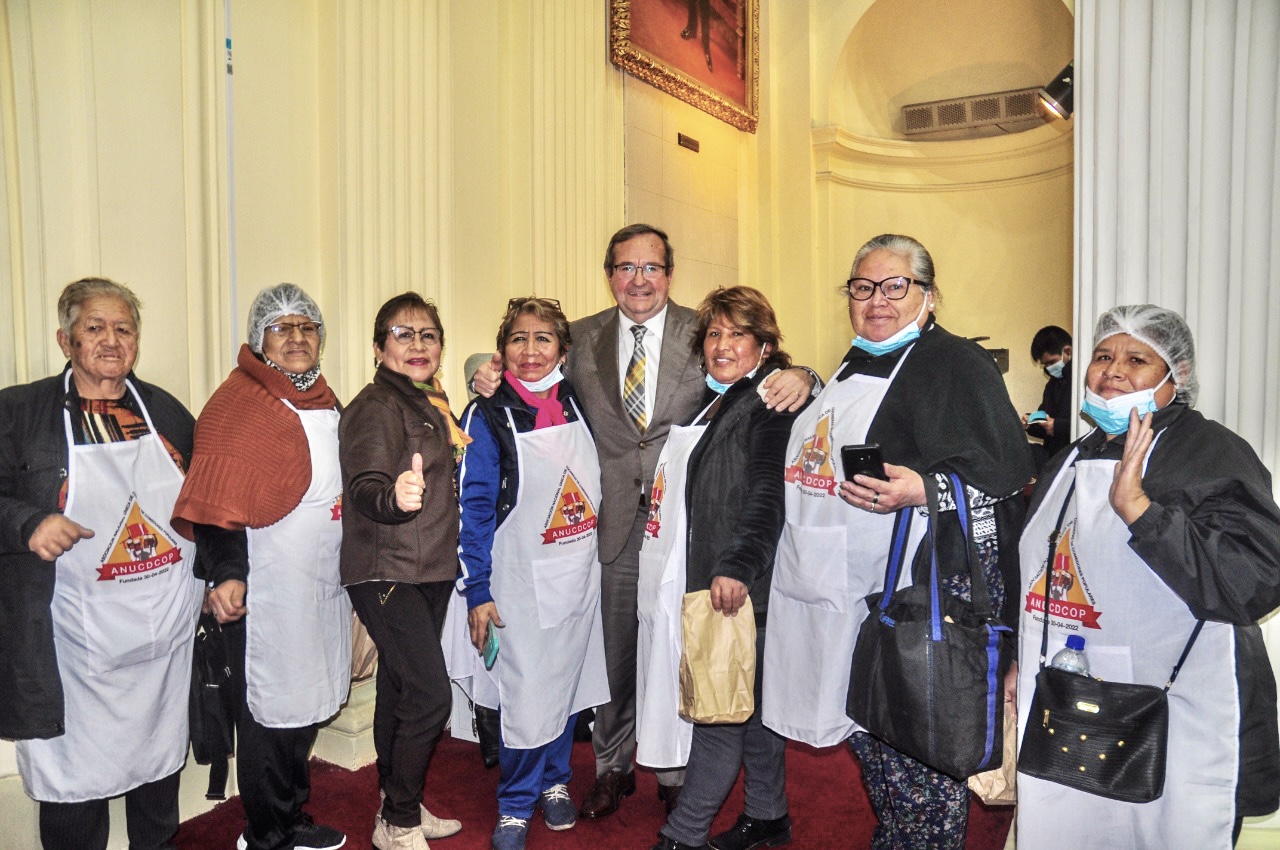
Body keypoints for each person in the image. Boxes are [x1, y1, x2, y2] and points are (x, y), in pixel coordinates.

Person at [470, 223, 815, 820]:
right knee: (613, 655)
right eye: (626, 268)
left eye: (650, 268)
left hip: (684, 532)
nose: (638, 280)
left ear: (669, 274)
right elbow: (523, 367)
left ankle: (677, 769)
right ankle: (611, 767)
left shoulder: (702, 333)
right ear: (609, 275)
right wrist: (482, 370)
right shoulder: (578, 337)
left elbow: (762, 368)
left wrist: (805, 376)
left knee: (679, 648)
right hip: (604, 528)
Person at [763, 234, 1032, 849]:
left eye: (894, 287)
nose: (876, 300)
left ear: (929, 297)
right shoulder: (851, 363)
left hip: (917, 600)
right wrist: (805, 375)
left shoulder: (956, 363)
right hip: (839, 586)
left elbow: (1005, 475)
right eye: (862, 288)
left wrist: (926, 489)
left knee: (917, 745)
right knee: (872, 738)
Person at [1014, 304, 1280, 849]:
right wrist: (1020, 654)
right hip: (1069, 699)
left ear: (1175, 376)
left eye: (1137, 359)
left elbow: (1252, 582)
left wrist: (1139, 508)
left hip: (1178, 712)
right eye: (1103, 356)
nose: (1112, 370)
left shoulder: (1212, 453)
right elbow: (1039, 565)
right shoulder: (1069, 458)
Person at [0, 278, 202, 850]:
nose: (111, 340)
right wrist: (28, 522)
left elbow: (208, 506)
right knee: (74, 791)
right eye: (95, 327)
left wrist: (228, 572)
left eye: (124, 328)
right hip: (69, 643)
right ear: (64, 339)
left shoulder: (164, 412)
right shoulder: (18, 413)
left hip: (159, 642)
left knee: (157, 778)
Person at [172, 283, 351, 850]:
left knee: (301, 711)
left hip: (321, 581)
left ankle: (293, 815)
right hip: (267, 585)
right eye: (282, 328)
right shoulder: (236, 405)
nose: (297, 338)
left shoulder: (325, 399)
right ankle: (266, 832)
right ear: (259, 339)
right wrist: (227, 575)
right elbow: (215, 506)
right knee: (269, 711)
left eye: (307, 327)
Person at [639, 287, 800, 850]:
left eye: (738, 334)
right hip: (716, 575)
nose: (722, 345)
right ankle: (768, 816)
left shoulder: (769, 401)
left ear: (764, 345)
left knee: (717, 715)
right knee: (750, 706)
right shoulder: (720, 399)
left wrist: (737, 565)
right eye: (714, 333)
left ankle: (681, 837)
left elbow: (766, 493)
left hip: (740, 581)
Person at [447, 297, 609, 850]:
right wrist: (478, 590)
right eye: (519, 338)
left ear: (562, 349)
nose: (531, 350)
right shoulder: (486, 414)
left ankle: (556, 778)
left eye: (543, 339)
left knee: (563, 684)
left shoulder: (581, 401)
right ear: (502, 351)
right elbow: (473, 506)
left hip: (577, 575)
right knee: (525, 694)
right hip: (517, 581)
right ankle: (515, 802)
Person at [339, 292, 466, 850]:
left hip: (428, 568)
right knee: (431, 696)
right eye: (403, 333)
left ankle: (399, 808)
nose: (418, 345)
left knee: (398, 689)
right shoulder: (377, 405)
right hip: (386, 568)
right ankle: (398, 821)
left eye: (429, 335)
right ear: (377, 347)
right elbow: (365, 486)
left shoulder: (430, 403)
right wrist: (395, 497)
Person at [1023, 324, 1073, 470]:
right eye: (1045, 365)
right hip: (1054, 458)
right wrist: (1030, 424)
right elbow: (1046, 422)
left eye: (1051, 362)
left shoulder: (1083, 381)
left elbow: (1090, 425)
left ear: (1068, 351)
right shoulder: (1052, 385)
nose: (1049, 368)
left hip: (1073, 458)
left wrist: (1057, 426)